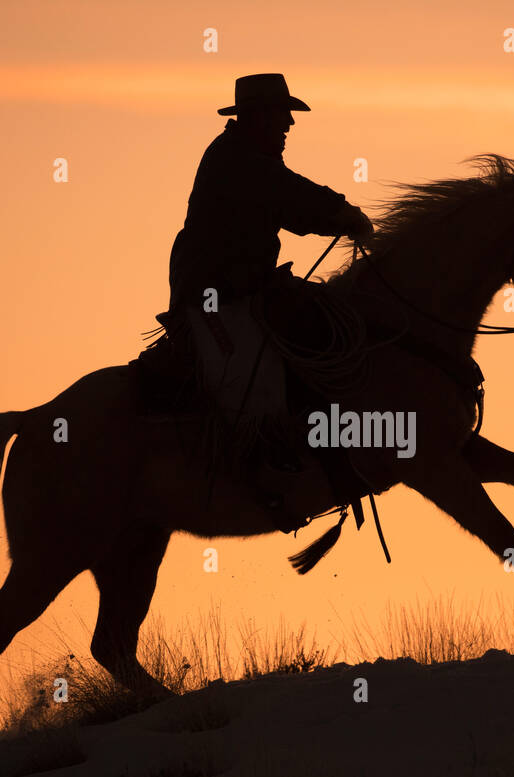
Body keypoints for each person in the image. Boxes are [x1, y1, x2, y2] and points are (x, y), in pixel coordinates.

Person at [164, 73, 373, 530]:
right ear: (257, 117)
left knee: (317, 325)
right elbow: (292, 198)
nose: (288, 126)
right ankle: (267, 463)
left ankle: (312, 449)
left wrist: (337, 214)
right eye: (282, 116)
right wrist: (345, 215)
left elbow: (289, 198)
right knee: (252, 370)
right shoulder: (240, 161)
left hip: (239, 286)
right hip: (217, 294)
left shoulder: (242, 157)